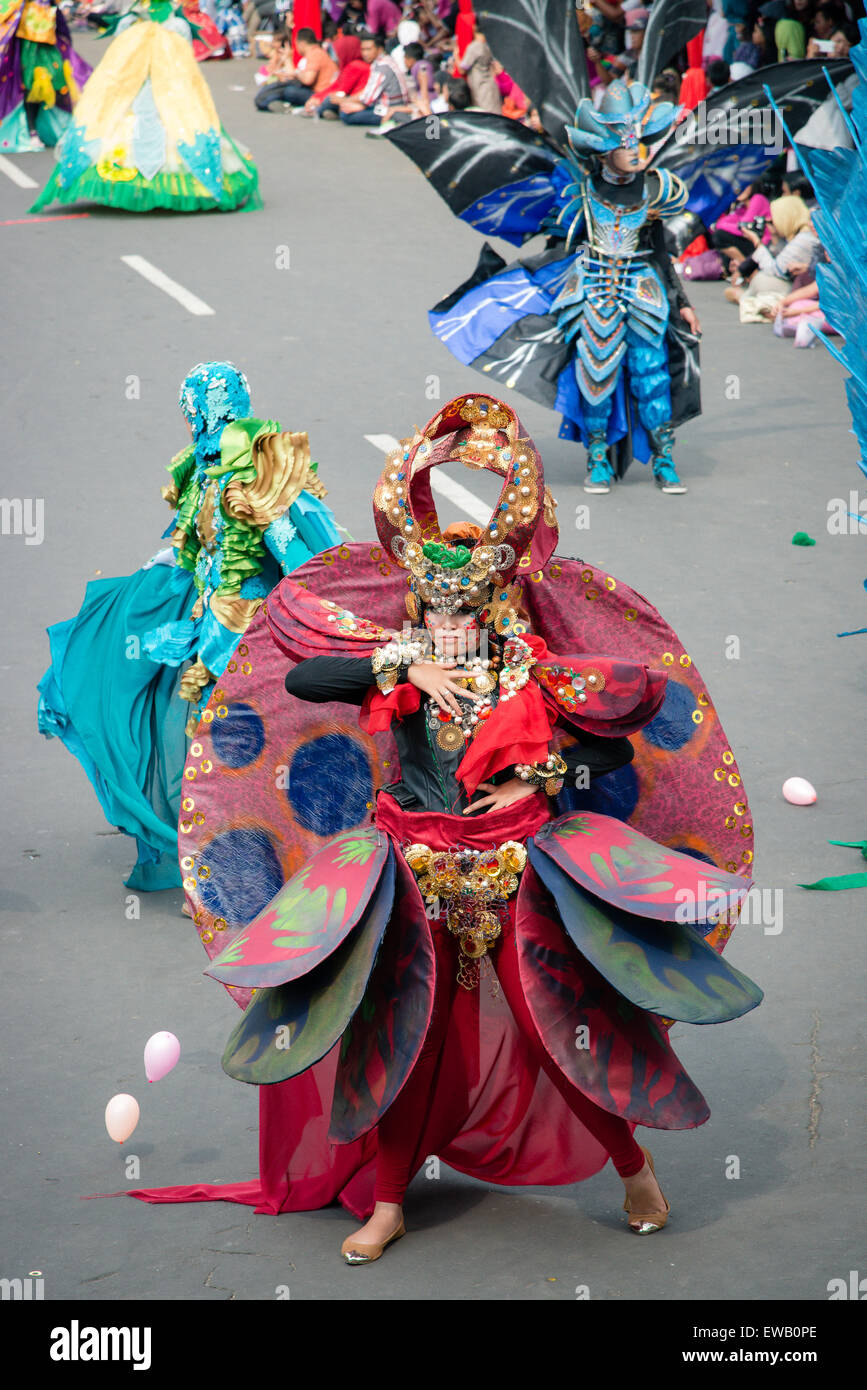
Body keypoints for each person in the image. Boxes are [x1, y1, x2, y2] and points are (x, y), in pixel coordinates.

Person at [131, 393, 762, 1255]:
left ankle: (630, 1165)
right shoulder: (398, 668)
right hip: (412, 869)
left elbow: (612, 754)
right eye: (435, 617)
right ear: (419, 613)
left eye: (462, 618)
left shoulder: (530, 674)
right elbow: (307, 676)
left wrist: (540, 775)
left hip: (515, 874)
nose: (450, 630)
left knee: (555, 1028)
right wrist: (406, 664)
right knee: (403, 1035)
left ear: (490, 611)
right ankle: (388, 1203)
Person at [37, 362, 342, 890]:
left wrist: (320, 614)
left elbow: (297, 557)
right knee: (220, 748)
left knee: (245, 748)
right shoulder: (204, 473)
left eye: (191, 412)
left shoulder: (253, 471)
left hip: (251, 636)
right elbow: (192, 551)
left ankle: (262, 864)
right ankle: (231, 863)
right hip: (211, 632)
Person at [415, 80, 703, 495]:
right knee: (595, 376)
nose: (635, 151)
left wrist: (683, 304)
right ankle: (598, 457)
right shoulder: (581, 191)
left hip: (644, 292)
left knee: (650, 375)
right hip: (594, 291)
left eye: (638, 142)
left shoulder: (656, 188)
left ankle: (663, 458)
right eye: (626, 144)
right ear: (605, 149)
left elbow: (660, 253)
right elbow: (558, 248)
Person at [29, 2, 260, 212]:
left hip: (165, 91)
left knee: (165, 130)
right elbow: (121, 62)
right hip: (138, 90)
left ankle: (155, 189)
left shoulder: (171, 25)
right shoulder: (138, 23)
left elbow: (181, 63)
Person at [0, 0, 92, 151]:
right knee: (31, 86)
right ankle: (31, 131)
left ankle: (60, 129)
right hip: (27, 46)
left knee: (59, 81)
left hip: (49, 44)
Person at [316, 26, 407, 124]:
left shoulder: (382, 67)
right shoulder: (380, 62)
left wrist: (346, 101)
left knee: (345, 114)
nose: (365, 53)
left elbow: (368, 98)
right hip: (378, 104)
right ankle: (322, 111)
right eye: (363, 50)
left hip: (388, 109)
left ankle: (318, 111)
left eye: (368, 49)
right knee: (338, 102)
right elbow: (368, 90)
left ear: (379, 49)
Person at [255, 24, 337, 109]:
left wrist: (296, 74)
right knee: (288, 84)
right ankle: (265, 99)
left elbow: (308, 80)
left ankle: (266, 101)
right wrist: (287, 60)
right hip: (321, 91)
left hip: (320, 93)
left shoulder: (315, 54)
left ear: (301, 43)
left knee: (290, 91)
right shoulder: (318, 53)